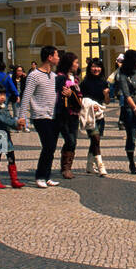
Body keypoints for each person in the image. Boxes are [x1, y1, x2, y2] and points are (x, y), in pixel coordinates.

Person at [23, 46, 60, 187]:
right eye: (57, 55)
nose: (58, 58)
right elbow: (26, 95)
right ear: (50, 57)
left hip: (53, 115)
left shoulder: (54, 76)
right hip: (39, 115)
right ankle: (40, 176)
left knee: (51, 147)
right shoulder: (34, 75)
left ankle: (47, 175)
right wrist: (22, 117)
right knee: (48, 145)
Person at [0, 82, 26, 189]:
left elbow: (9, 119)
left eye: (4, 94)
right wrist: (15, 123)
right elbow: (2, 119)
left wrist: (17, 125)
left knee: (11, 157)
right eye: (0, 95)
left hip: (6, 136)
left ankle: (14, 180)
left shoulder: (3, 107)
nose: (3, 97)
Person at [54, 52, 82, 180]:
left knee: (73, 141)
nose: (77, 65)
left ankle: (67, 167)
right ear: (69, 64)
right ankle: (65, 167)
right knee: (69, 140)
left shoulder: (75, 78)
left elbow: (78, 94)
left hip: (74, 114)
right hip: (64, 114)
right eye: (76, 62)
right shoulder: (60, 77)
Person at [79, 57, 109, 175]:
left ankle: (89, 165)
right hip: (89, 115)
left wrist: (106, 94)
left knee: (95, 141)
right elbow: (81, 100)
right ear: (89, 68)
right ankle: (101, 166)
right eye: (93, 67)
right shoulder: (85, 83)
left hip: (99, 115)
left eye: (98, 67)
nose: (96, 69)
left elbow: (106, 102)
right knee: (95, 138)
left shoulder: (103, 82)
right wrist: (91, 105)